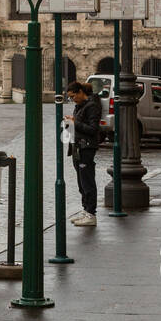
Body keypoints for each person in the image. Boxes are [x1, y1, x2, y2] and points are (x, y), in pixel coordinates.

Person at [65, 81, 101, 226]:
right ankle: (85, 210)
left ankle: (91, 213)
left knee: (87, 181)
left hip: (86, 147)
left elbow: (93, 129)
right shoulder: (79, 106)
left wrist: (74, 123)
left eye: (73, 96)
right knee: (81, 182)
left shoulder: (92, 106)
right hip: (77, 147)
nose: (72, 99)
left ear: (80, 92)